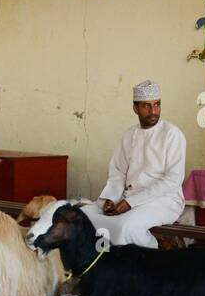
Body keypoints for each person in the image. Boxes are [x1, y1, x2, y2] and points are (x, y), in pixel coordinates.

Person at [80, 80, 186, 248]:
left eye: (157, 105)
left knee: (125, 227)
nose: (153, 111)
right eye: (146, 106)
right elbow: (118, 173)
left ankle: (154, 259)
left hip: (164, 200)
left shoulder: (172, 134)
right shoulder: (130, 135)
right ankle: (105, 266)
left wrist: (132, 202)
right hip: (128, 197)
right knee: (84, 215)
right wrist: (111, 198)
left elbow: (173, 179)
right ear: (135, 108)